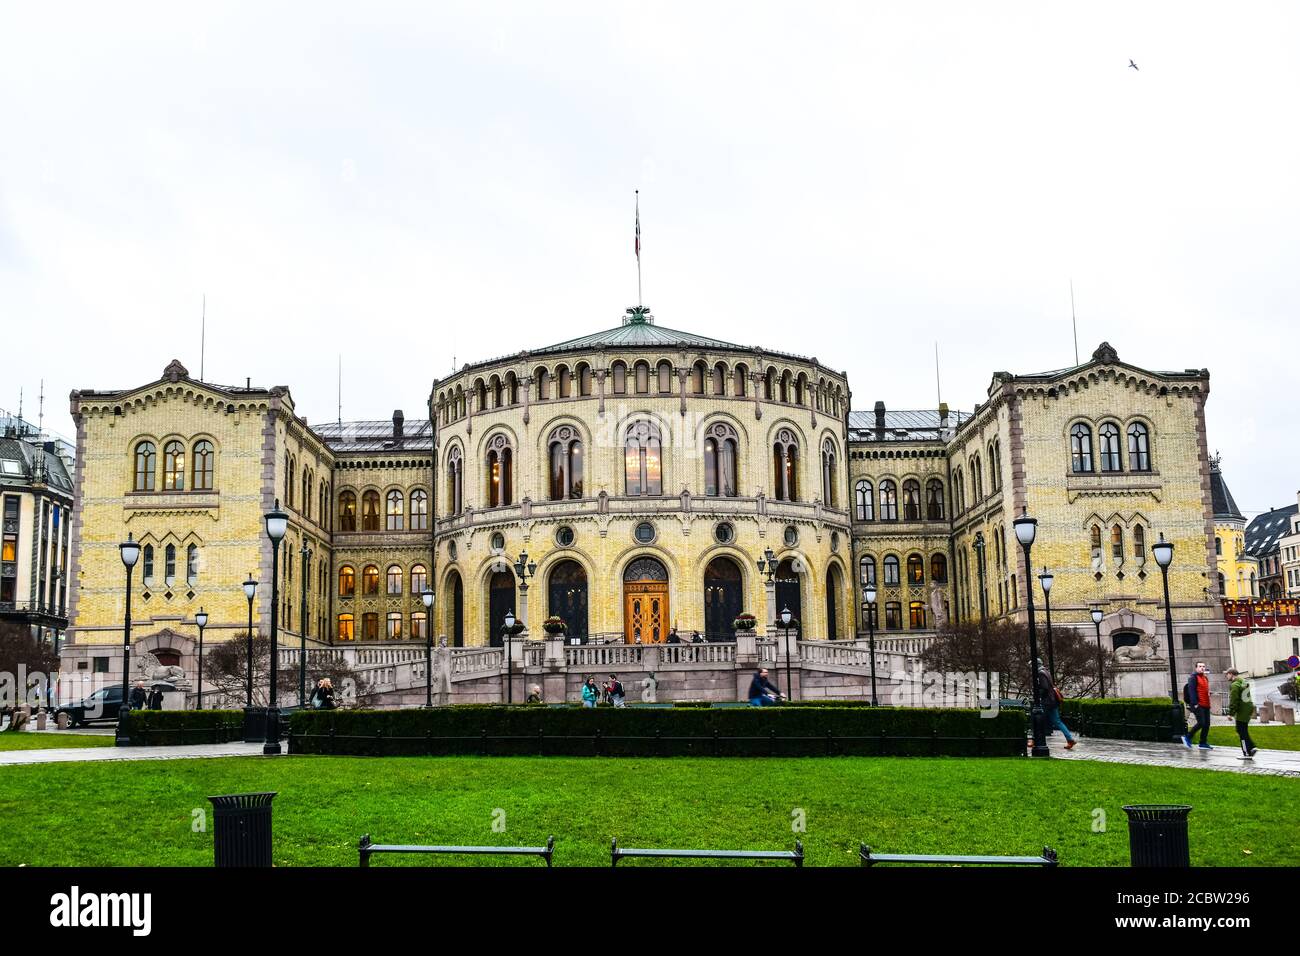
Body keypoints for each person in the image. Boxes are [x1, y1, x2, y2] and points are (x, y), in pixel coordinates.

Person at [1036, 659, 1075, 750]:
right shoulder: (1046, 671)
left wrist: (1038, 693)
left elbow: (1045, 688)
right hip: (1053, 700)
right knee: (1057, 721)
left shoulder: (1040, 673)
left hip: (1047, 701)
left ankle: (1035, 740)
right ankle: (1070, 739)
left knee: (1038, 719)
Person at [1226, 668, 1258, 758]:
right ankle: (1252, 747)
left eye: (1227, 674)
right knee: (1243, 730)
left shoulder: (1235, 685)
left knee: (1241, 730)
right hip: (1248, 708)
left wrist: (1230, 713)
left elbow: (1234, 700)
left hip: (1242, 710)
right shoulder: (1243, 682)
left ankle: (1247, 752)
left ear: (1231, 674)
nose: (1226, 676)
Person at [1181, 661, 1213, 749]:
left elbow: (1204, 690)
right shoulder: (1193, 678)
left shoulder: (1205, 678)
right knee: (1201, 723)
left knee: (1207, 724)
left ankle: (1203, 743)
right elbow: (1192, 691)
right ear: (1196, 668)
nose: (1202, 668)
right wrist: (1195, 703)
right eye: (1200, 666)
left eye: (1203, 666)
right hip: (1198, 704)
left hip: (1206, 704)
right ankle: (1187, 737)